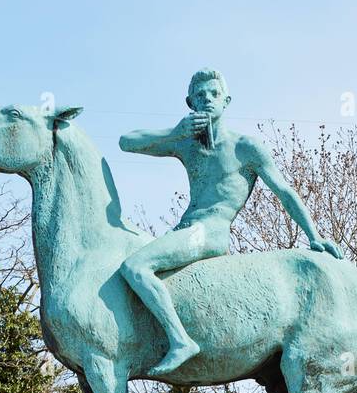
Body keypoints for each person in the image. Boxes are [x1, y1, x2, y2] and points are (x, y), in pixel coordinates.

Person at [118, 68, 343, 374]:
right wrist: (174, 133)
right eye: (200, 96)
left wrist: (313, 236)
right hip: (183, 229)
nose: (207, 99)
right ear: (190, 103)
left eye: (213, 94)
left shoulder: (245, 147)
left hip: (209, 232)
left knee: (135, 266)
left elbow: (285, 191)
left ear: (226, 101)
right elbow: (125, 142)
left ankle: (181, 340)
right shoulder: (186, 142)